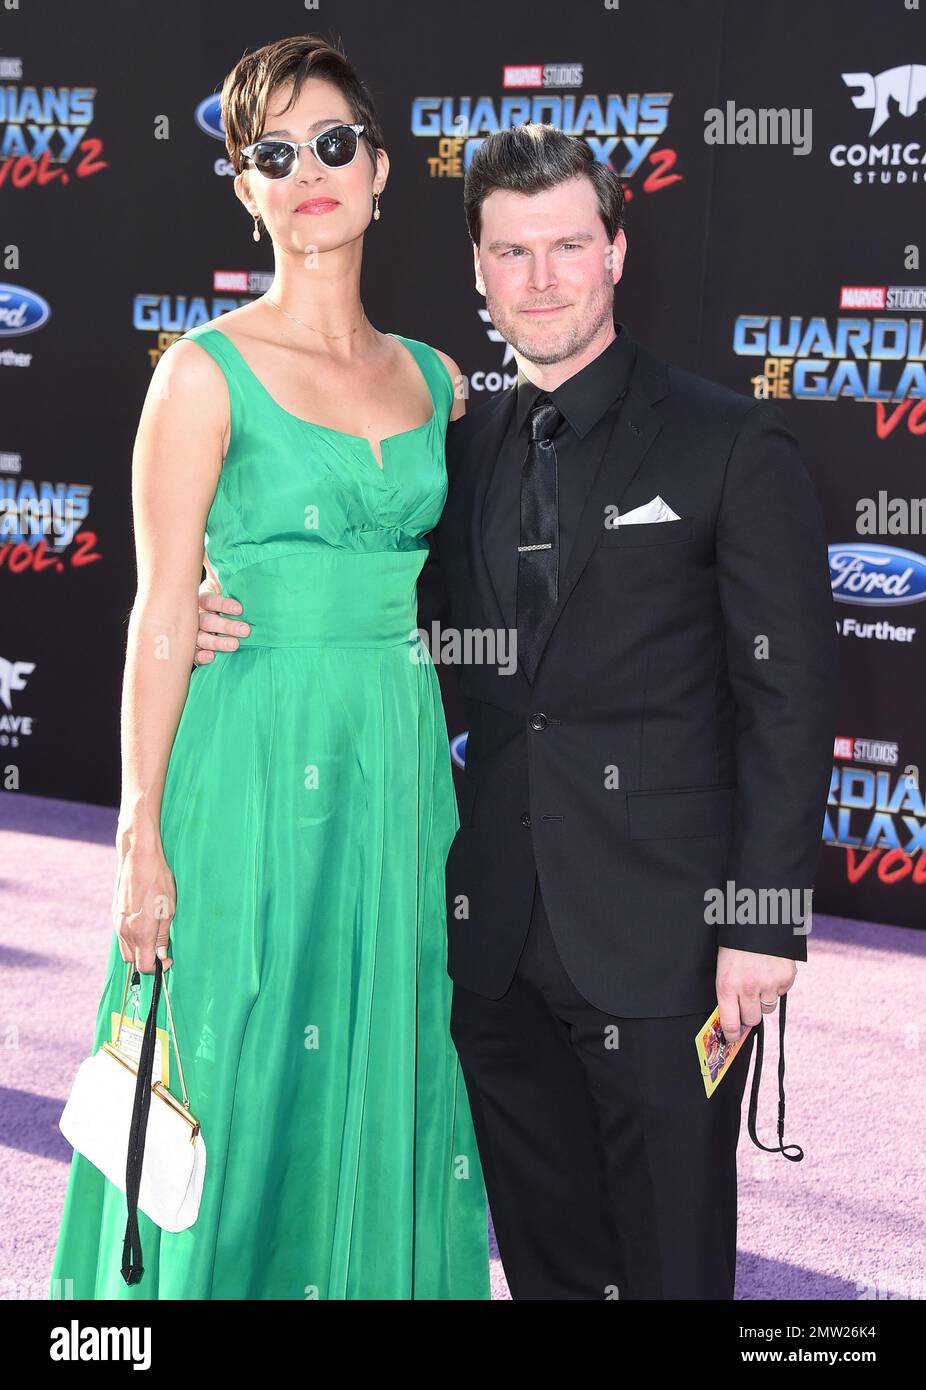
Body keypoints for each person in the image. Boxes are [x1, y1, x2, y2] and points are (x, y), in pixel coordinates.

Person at [196, 122, 839, 1300]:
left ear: (615, 255)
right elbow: (380, 603)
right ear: (478, 269)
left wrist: (763, 922)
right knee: (547, 1264)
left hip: (667, 943)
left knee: (670, 1264)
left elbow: (788, 698)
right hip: (490, 940)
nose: (539, 278)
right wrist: (216, 608)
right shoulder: (460, 447)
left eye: (565, 245)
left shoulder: (727, 440)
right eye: (510, 251)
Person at [48, 33, 489, 1301]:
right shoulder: (199, 373)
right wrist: (139, 832)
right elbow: (156, 610)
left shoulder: (439, 381)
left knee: (383, 1054)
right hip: (245, 760)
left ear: (380, 170)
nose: (309, 172)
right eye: (273, 153)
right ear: (244, 184)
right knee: (227, 1056)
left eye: (333, 144)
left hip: (394, 771)